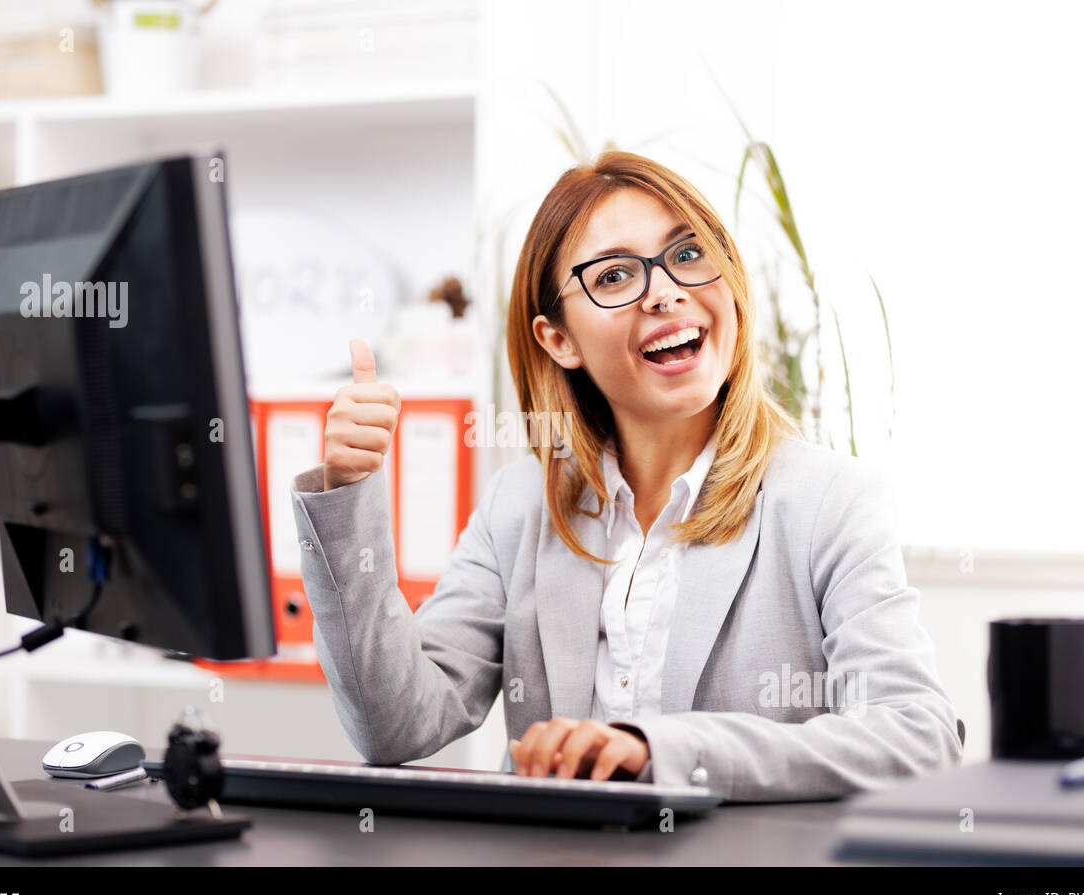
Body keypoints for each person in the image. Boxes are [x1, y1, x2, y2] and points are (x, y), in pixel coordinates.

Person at [290, 150, 962, 801]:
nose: (667, 291)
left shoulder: (829, 501)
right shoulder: (520, 507)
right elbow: (396, 726)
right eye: (614, 277)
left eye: (689, 254)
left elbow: (915, 735)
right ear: (559, 339)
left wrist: (659, 752)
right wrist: (347, 493)